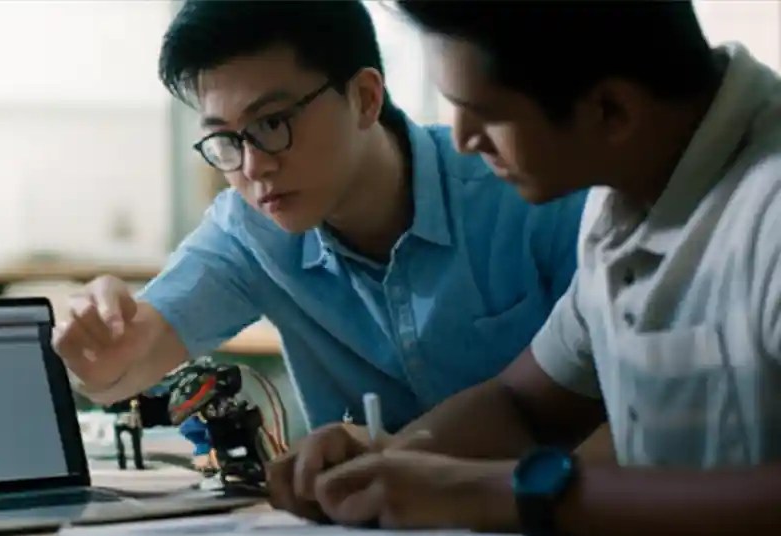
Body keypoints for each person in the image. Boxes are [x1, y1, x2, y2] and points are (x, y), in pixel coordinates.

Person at [271, 0, 781, 536]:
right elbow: (527, 404)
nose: (463, 140)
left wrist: (502, 493)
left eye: (485, 114)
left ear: (611, 110)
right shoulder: (621, 197)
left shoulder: (768, 208)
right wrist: (394, 460)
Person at [52, 0, 586, 445]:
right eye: (225, 138)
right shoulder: (249, 229)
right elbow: (125, 366)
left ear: (365, 99)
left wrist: (402, 457)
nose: (254, 165)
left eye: (273, 122)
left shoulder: (523, 188)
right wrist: (99, 345)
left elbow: (624, 413)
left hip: (560, 528)